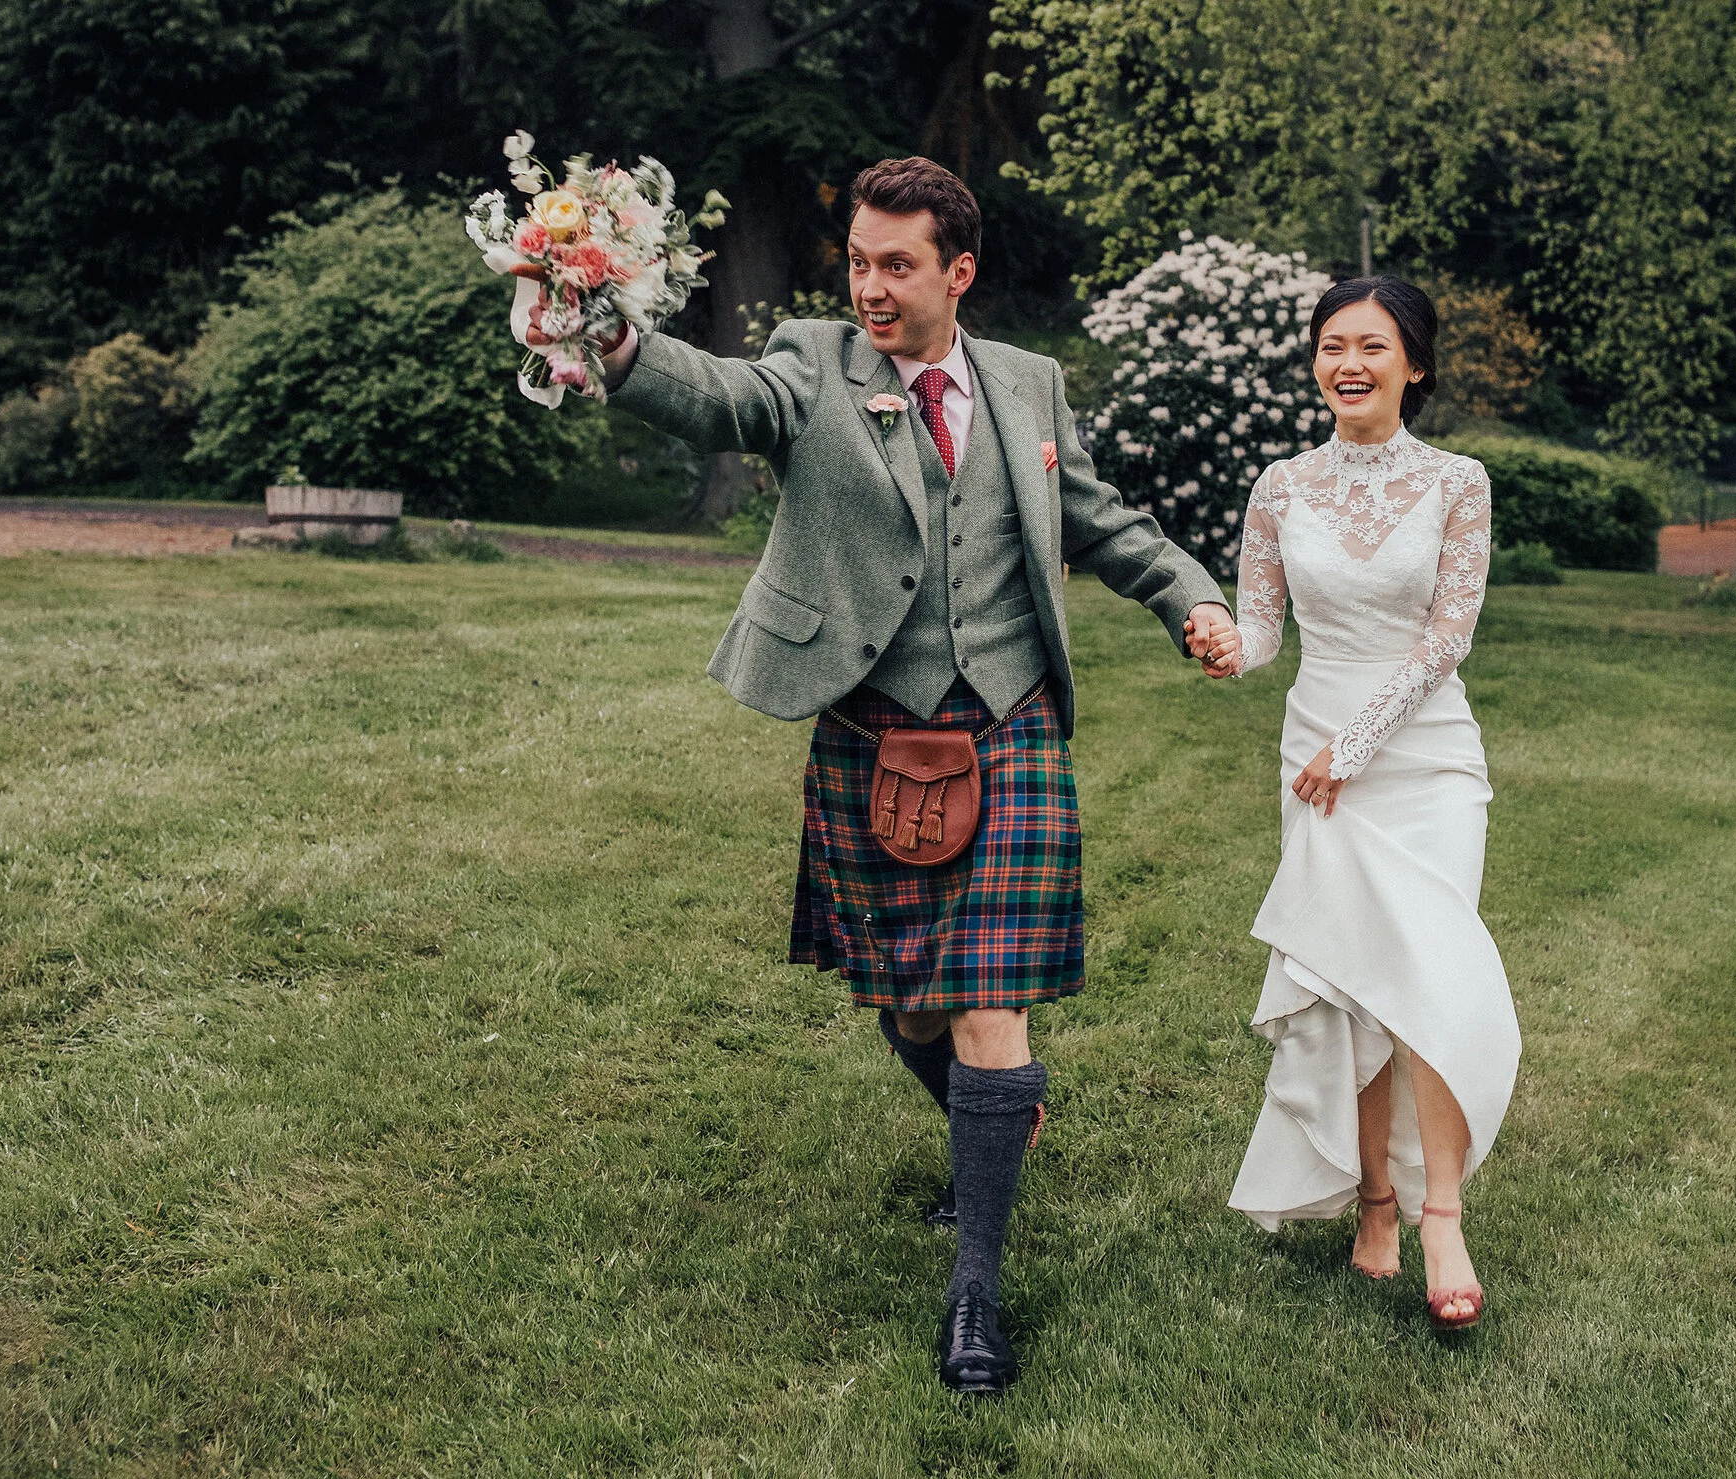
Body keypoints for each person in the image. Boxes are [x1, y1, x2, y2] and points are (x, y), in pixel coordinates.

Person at [512, 157, 1233, 1393]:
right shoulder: (814, 362)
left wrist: (1189, 598)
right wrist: (610, 340)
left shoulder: (1028, 382)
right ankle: (990, 1115)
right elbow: (719, 397)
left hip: (1007, 724)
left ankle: (975, 1292)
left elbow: (1097, 519)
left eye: (898, 265)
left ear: (960, 271)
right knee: (910, 1008)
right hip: (872, 725)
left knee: (990, 1002)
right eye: (858, 261)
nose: (872, 287)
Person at [1187, 274, 1520, 1333]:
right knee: (1350, 985)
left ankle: (1440, 1215)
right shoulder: (1280, 486)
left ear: (1414, 365)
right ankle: (1373, 1201)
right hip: (1313, 763)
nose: (1349, 364)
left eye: (1372, 346)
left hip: (1425, 763)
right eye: (1333, 345)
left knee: (1430, 978)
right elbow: (1264, 628)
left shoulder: (1458, 482)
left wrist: (1359, 744)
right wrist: (1226, 645)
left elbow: (1448, 636)